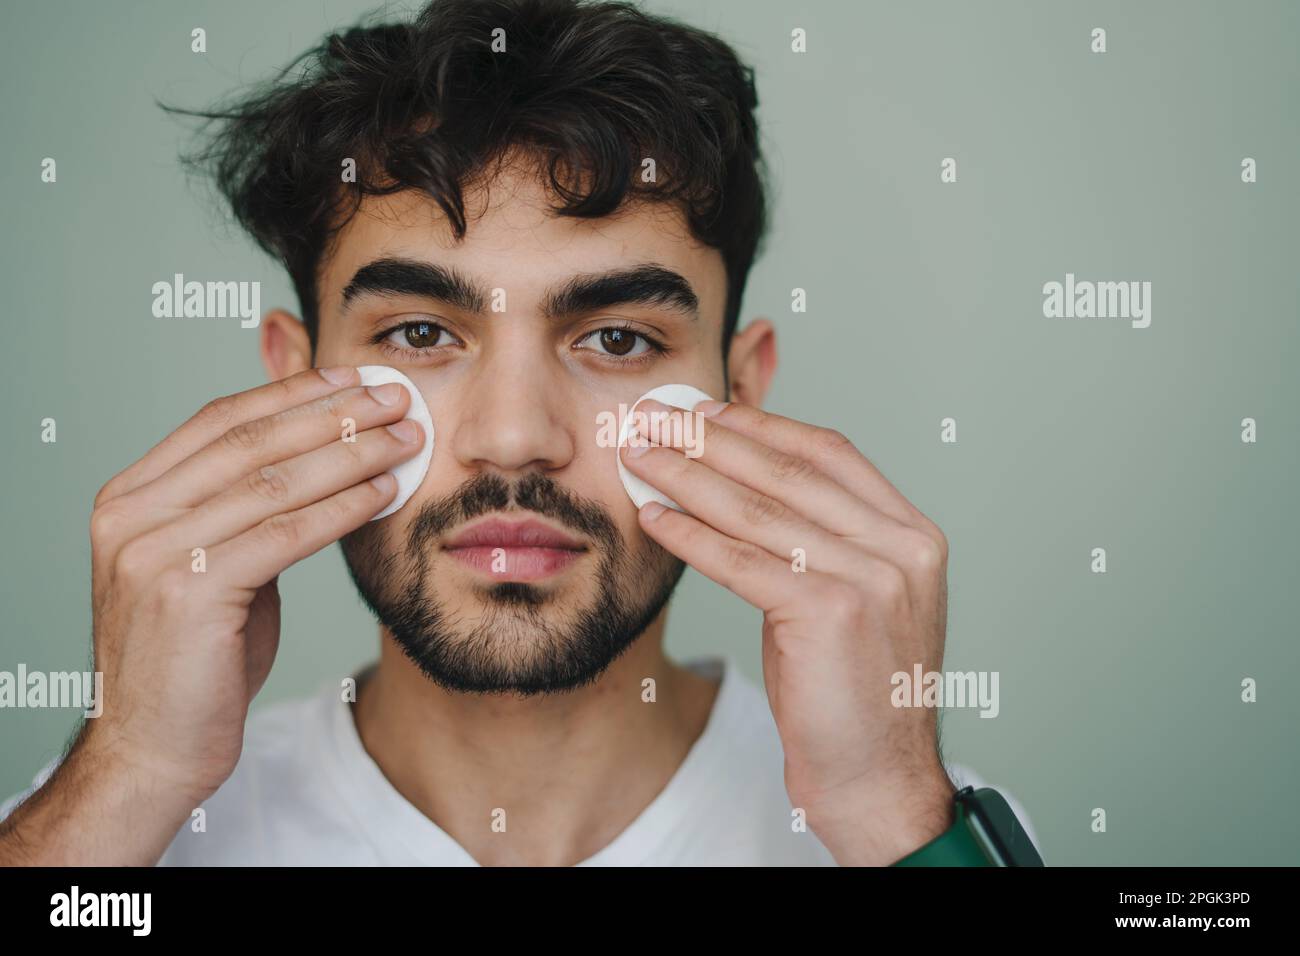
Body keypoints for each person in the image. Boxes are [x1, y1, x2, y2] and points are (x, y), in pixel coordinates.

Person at [0, 0, 1037, 866]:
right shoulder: (120, 831)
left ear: (743, 395)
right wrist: (130, 770)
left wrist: (888, 809)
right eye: (418, 331)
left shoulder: (912, 826)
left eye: (619, 338)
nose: (511, 437)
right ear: (293, 386)